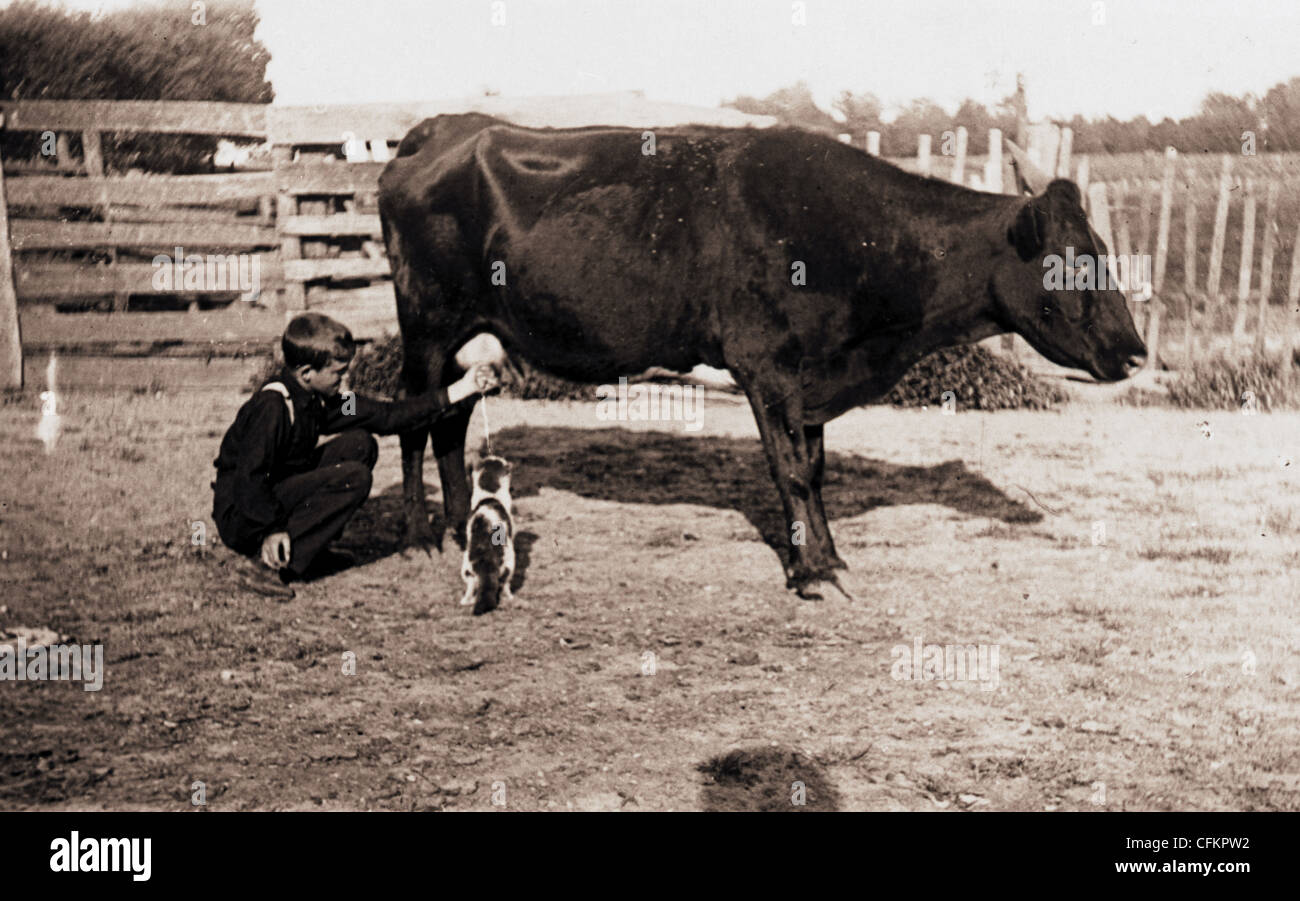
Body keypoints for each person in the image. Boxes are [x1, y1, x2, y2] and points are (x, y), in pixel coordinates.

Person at [212, 312, 499, 599]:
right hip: (243, 515)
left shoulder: (318, 399)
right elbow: (249, 478)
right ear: (307, 372)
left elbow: (387, 416)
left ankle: (310, 551)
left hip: (271, 492)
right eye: (338, 373)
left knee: (361, 444)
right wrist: (271, 529)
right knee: (355, 478)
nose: (344, 380)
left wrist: (461, 388)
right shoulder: (273, 406)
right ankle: (264, 565)